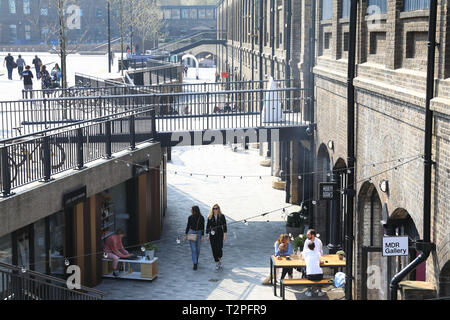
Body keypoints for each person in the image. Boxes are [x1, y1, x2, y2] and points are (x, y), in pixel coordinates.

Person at [206, 204, 227, 270]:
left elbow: (225, 226)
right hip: (212, 235)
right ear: (212, 209)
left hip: (220, 234)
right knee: (214, 249)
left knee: (219, 248)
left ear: (219, 209)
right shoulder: (210, 217)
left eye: (216, 208)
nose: (215, 210)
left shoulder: (222, 216)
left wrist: (225, 235)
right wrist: (207, 235)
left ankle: (220, 258)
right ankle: (217, 262)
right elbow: (207, 227)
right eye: (214, 208)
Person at [184, 205, 205, 270]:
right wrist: (186, 235)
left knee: (198, 249)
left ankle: (196, 259)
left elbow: (202, 227)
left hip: (199, 233)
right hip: (191, 232)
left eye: (191, 210)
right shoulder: (190, 217)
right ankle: (195, 263)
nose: (190, 211)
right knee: (193, 249)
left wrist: (202, 236)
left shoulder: (201, 218)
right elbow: (188, 226)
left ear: (194, 210)